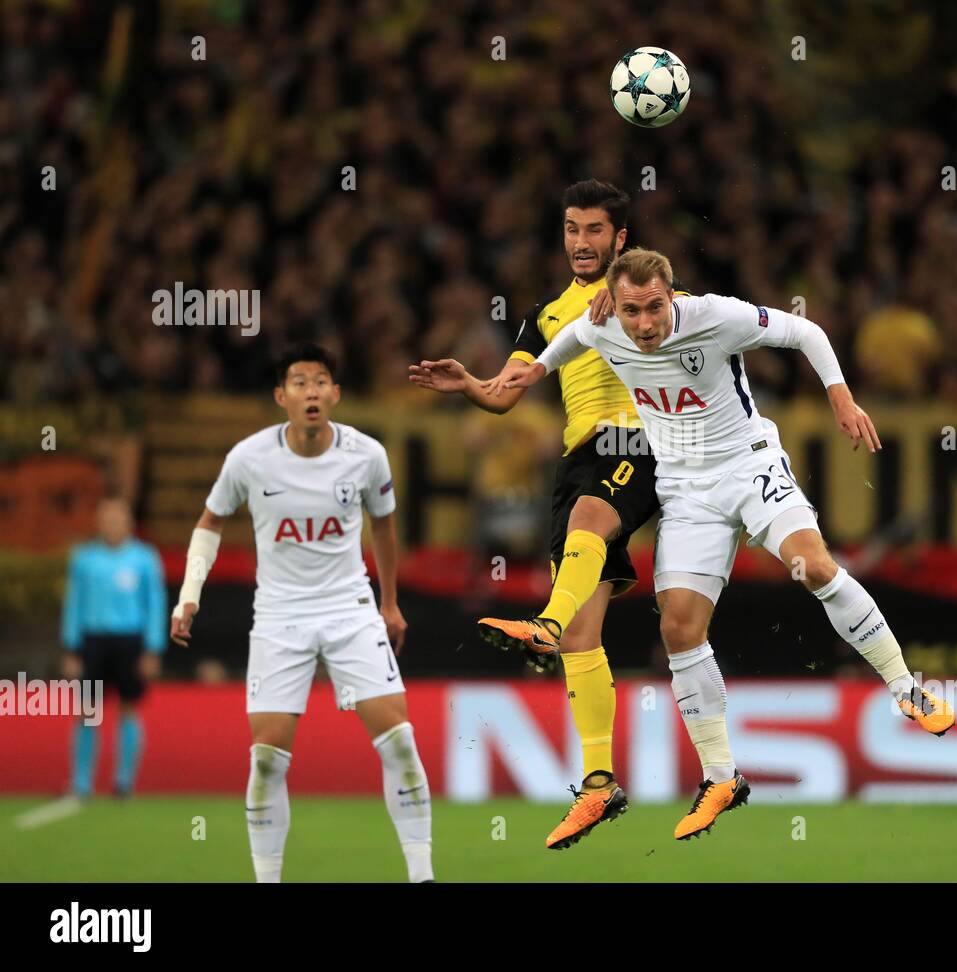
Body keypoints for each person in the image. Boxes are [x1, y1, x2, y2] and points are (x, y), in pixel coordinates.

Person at [497, 248, 956, 840]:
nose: (644, 324)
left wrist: (840, 396)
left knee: (811, 565)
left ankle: (905, 688)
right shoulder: (602, 325)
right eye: (632, 310)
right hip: (685, 490)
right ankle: (722, 778)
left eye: (655, 308)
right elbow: (571, 341)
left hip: (747, 464)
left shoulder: (715, 316)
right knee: (679, 630)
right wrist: (534, 371)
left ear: (673, 297)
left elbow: (804, 331)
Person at [408, 179, 686, 850]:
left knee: (590, 526)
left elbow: (675, 327)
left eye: (595, 230)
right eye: (571, 229)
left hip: (638, 442)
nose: (581, 242)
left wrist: (631, 299)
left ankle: (543, 621)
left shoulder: (643, 297)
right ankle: (598, 784)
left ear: (620, 239)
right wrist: (472, 387)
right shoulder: (544, 316)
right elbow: (509, 394)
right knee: (585, 638)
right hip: (577, 463)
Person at [171, 343, 434, 883]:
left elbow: (383, 525)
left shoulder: (367, 455)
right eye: (298, 382)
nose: (310, 391)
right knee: (266, 761)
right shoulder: (248, 459)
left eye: (320, 382)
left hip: (350, 608)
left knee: (401, 742)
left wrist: (389, 602)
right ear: (280, 396)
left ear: (335, 394)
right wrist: (189, 591)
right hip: (279, 616)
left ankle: (422, 876)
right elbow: (210, 521)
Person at [61, 496, 167, 798]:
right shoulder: (84, 559)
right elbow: (74, 603)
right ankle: (81, 783)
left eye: (117, 520)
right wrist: (71, 648)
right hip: (93, 640)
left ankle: (124, 781)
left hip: (129, 641)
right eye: (106, 520)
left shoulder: (144, 558)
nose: (112, 526)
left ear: (129, 523)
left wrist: (152, 648)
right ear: (98, 523)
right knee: (87, 710)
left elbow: (155, 603)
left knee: (129, 709)